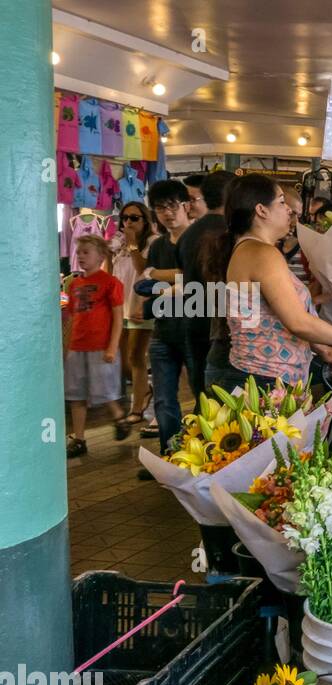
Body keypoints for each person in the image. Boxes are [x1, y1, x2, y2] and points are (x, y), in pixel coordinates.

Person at [201, 174, 332, 388]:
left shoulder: (250, 250)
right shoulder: (261, 254)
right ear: (261, 210)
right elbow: (297, 322)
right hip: (264, 378)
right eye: (281, 202)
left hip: (261, 375)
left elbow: (274, 319)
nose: (288, 210)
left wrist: (321, 346)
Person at [138, 178, 196, 468]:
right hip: (163, 332)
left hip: (196, 331)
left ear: (186, 205)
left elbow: (195, 279)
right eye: (160, 208)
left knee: (203, 396)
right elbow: (145, 280)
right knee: (163, 399)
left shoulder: (198, 240)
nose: (167, 213)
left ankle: (198, 457)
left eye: (172, 206)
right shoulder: (158, 245)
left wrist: (156, 275)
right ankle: (171, 457)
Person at [63, 235, 126, 458]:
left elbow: (118, 317)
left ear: (100, 256)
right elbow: (72, 317)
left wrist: (112, 346)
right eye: (78, 252)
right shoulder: (74, 284)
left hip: (101, 346)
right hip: (77, 346)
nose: (80, 256)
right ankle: (79, 438)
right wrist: (67, 346)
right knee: (76, 394)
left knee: (105, 389)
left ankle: (118, 416)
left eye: (86, 252)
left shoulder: (110, 283)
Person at [178, 169, 236, 394]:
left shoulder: (188, 235)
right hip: (224, 327)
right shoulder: (232, 234)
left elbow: (183, 275)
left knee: (201, 396)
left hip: (193, 320)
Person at [110, 201, 154, 432]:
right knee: (121, 359)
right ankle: (145, 389)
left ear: (145, 220)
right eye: (125, 218)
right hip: (120, 307)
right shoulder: (120, 244)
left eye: (134, 218)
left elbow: (143, 270)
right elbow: (112, 273)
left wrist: (134, 244)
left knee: (135, 356)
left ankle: (137, 407)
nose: (128, 222)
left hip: (140, 306)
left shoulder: (151, 243)